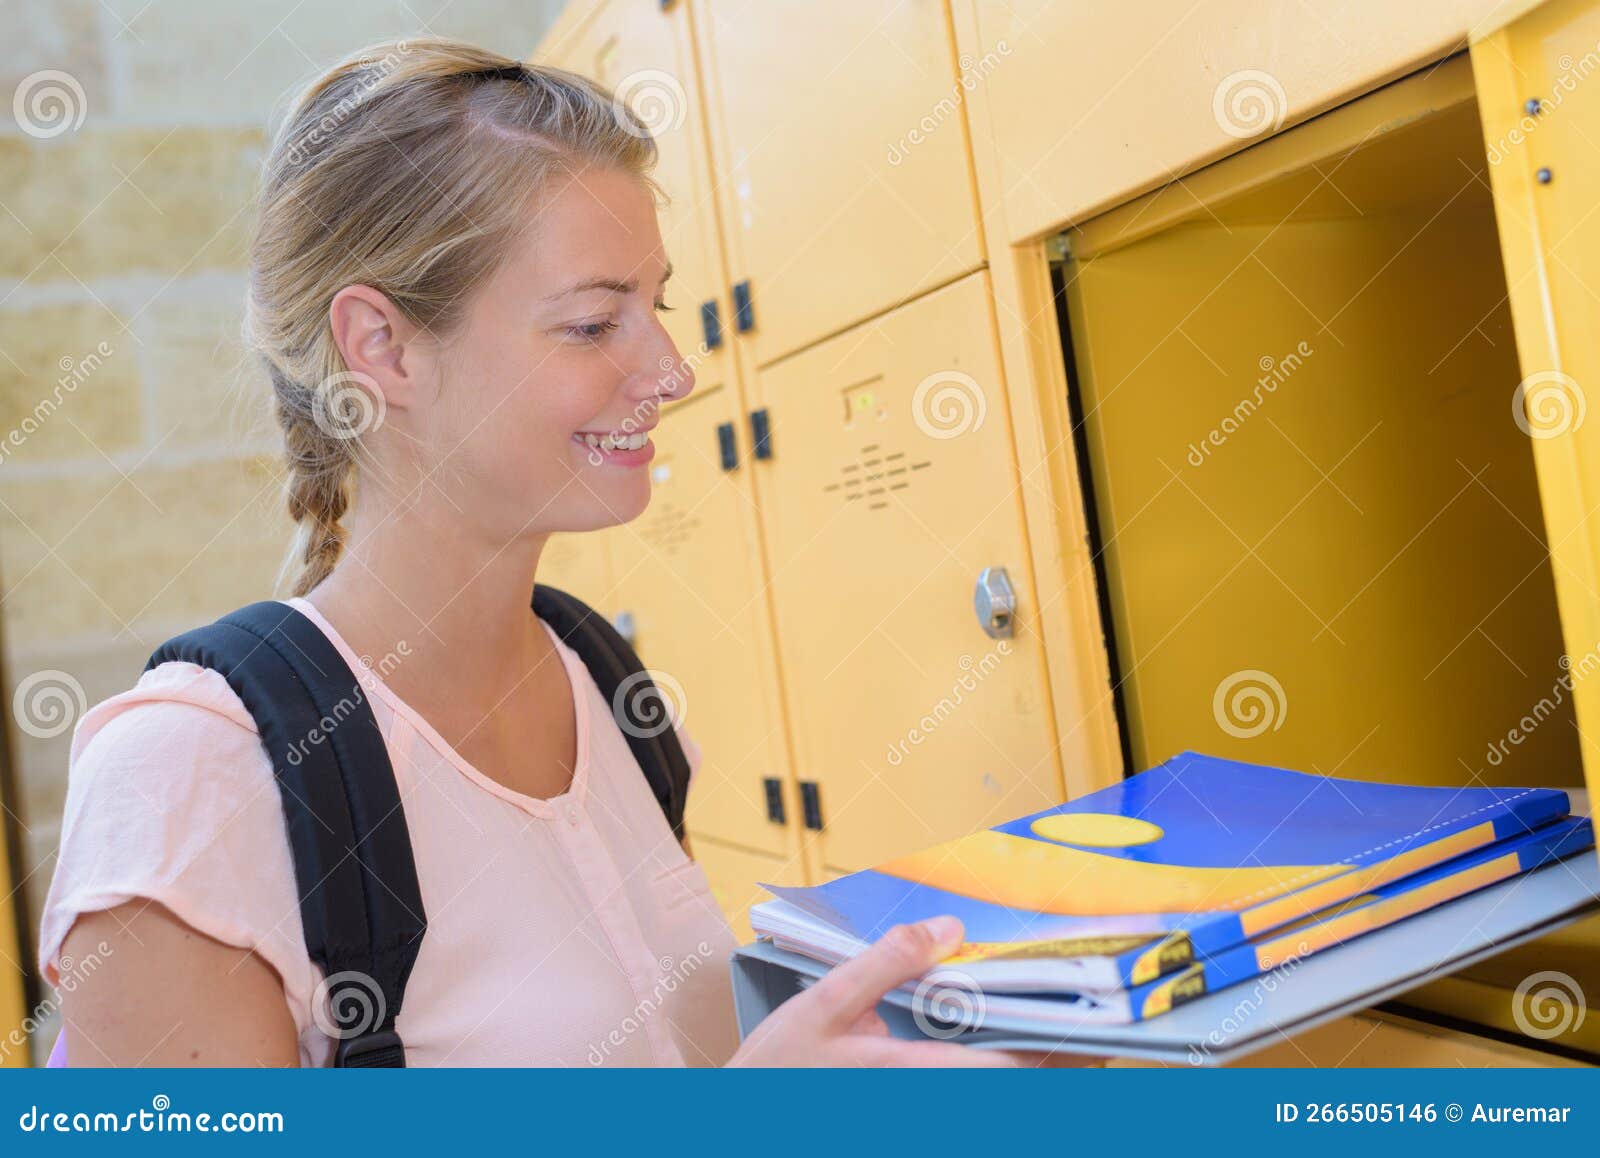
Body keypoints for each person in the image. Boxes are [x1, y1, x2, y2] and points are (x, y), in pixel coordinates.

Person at [37, 38, 1063, 1068]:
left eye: (653, 306)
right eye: (590, 324)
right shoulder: (186, 779)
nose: (673, 372)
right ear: (382, 348)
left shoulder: (608, 690)